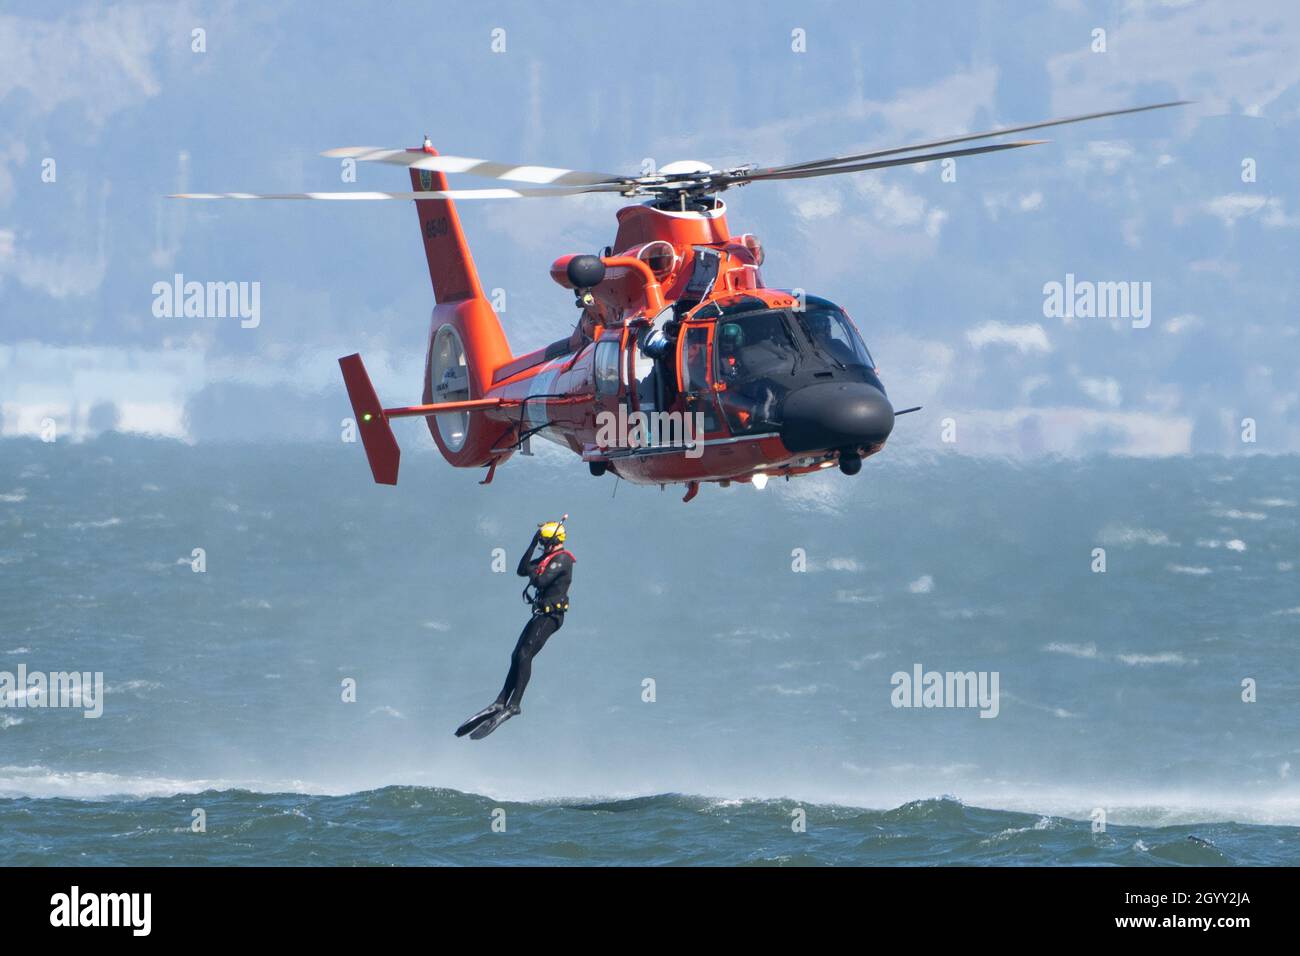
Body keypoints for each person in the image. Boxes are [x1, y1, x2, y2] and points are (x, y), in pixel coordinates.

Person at [455, 519, 575, 738]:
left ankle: (514, 705)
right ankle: (501, 701)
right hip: (540, 615)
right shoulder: (548, 558)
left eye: (543, 542)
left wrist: (537, 569)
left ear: (553, 541)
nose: (542, 546)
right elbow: (522, 570)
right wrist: (531, 544)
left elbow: (540, 582)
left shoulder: (563, 560)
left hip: (551, 617)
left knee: (524, 655)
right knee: (516, 655)